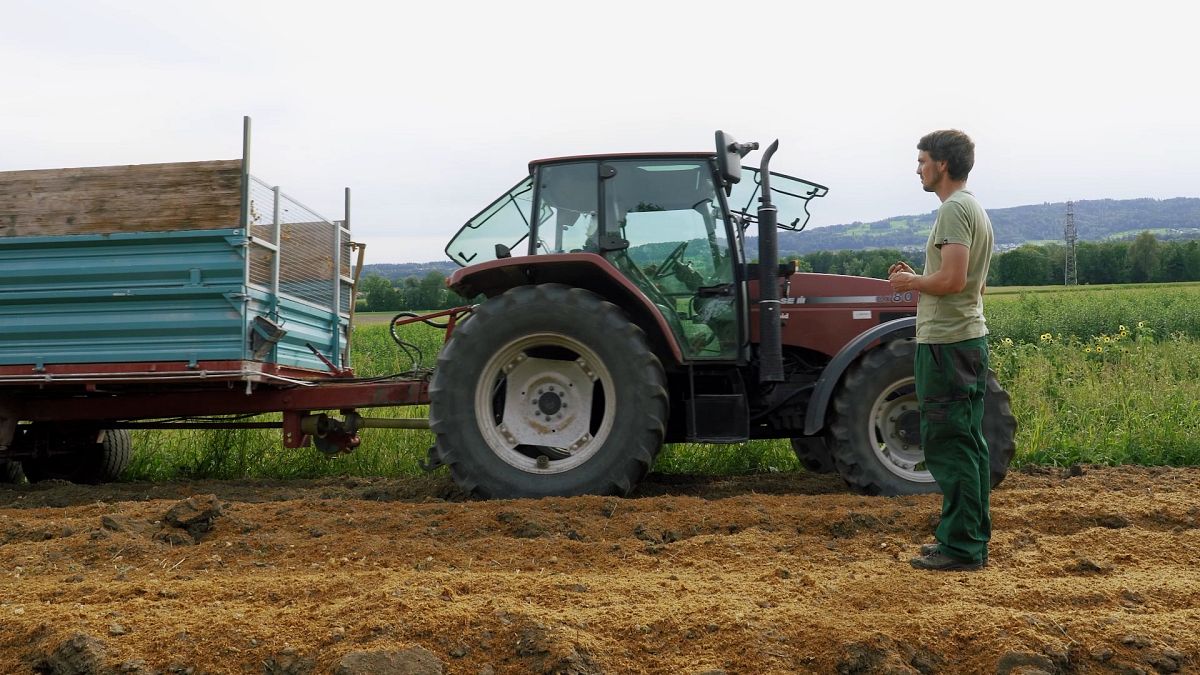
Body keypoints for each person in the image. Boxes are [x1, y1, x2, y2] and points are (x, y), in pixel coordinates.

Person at [888, 129, 994, 572]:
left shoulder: (953, 211)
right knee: (966, 444)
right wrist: (922, 276)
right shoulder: (974, 209)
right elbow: (973, 283)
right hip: (964, 339)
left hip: (947, 345)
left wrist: (912, 283)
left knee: (950, 446)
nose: (918, 168)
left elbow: (952, 281)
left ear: (942, 165)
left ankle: (964, 548)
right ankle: (960, 538)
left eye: (922, 160)